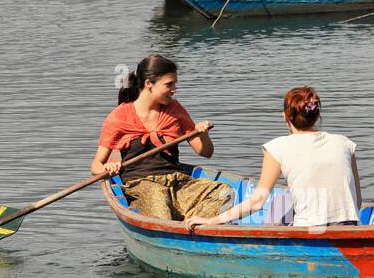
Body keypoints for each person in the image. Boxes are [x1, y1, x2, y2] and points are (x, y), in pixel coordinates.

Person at [185, 86, 360, 231]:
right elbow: (357, 201)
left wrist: (213, 221)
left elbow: (257, 202)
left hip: (310, 230)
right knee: (285, 199)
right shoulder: (344, 143)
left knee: (279, 204)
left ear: (285, 116)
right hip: (350, 227)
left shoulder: (277, 147)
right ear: (317, 115)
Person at [92, 54, 230, 221]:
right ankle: (178, 220)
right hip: (142, 185)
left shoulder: (174, 109)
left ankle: (191, 223)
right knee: (159, 206)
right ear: (149, 84)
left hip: (177, 182)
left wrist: (204, 135)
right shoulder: (119, 116)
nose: (174, 89)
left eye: (175, 84)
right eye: (169, 84)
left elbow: (205, 152)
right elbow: (96, 166)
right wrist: (108, 169)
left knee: (224, 192)